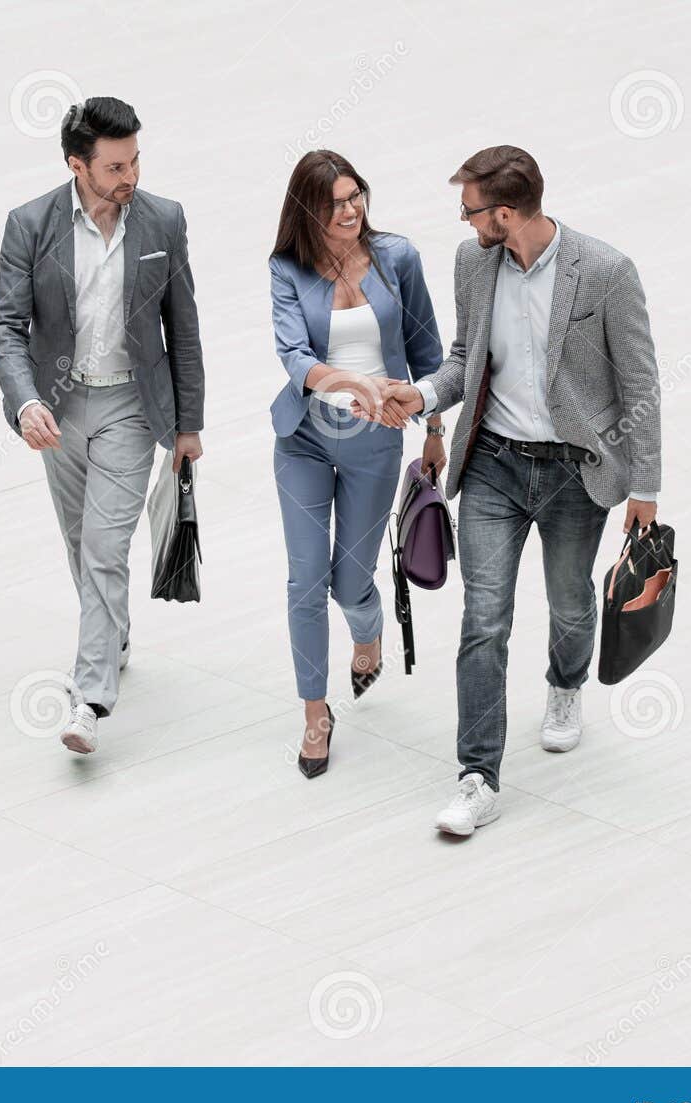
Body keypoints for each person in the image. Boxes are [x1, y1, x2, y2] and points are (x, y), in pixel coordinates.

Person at [368, 146, 663, 835]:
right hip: (495, 465)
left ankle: (566, 684)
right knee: (485, 621)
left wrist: (646, 485)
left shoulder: (607, 272)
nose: (464, 222)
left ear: (505, 213)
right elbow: (467, 358)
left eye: (471, 210)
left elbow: (642, 385)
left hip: (573, 471)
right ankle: (478, 776)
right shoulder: (475, 263)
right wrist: (419, 396)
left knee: (569, 602)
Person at [0, 96, 205, 755]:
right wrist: (25, 402)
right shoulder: (30, 224)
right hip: (58, 408)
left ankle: (88, 698)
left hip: (132, 410)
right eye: (114, 165)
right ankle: (111, 633)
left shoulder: (163, 220)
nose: (129, 175)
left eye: (135, 159)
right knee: (82, 543)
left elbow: (183, 327)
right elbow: (4, 324)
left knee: (106, 549)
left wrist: (188, 423)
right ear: (77, 164)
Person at [269, 150, 443, 778]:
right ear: (307, 211)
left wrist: (434, 430)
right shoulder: (286, 268)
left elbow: (428, 352)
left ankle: (368, 633)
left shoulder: (397, 257)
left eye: (355, 196)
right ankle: (316, 713)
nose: (348, 211)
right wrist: (348, 383)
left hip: (377, 443)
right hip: (305, 439)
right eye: (333, 203)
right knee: (305, 583)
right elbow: (292, 354)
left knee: (351, 584)